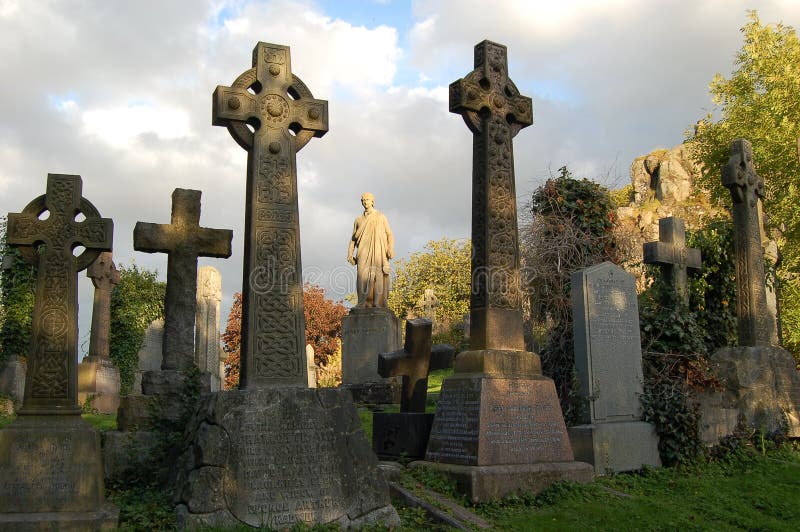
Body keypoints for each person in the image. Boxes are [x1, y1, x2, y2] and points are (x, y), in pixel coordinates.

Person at [347, 192, 394, 308]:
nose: (365, 202)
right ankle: (362, 302)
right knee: (361, 276)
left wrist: (390, 248)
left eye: (367, 199)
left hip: (378, 250)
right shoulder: (358, 220)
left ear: (372, 201)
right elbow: (353, 239)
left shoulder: (381, 216)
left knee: (378, 276)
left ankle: (377, 303)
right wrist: (349, 254)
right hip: (362, 251)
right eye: (363, 200)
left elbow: (390, 235)